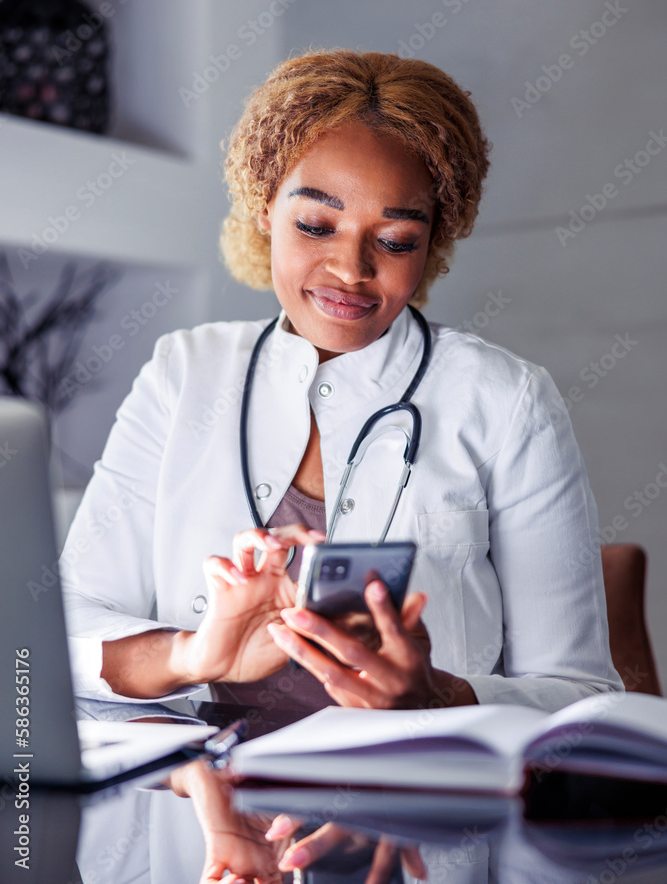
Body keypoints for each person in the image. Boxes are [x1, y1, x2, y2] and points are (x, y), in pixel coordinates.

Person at [61, 48, 623, 725]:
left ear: (432, 242)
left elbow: (583, 696)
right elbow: (61, 627)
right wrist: (191, 655)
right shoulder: (184, 373)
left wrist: (437, 695)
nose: (351, 269)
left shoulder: (507, 401)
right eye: (315, 225)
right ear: (264, 208)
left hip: (411, 785)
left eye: (395, 240)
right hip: (203, 785)